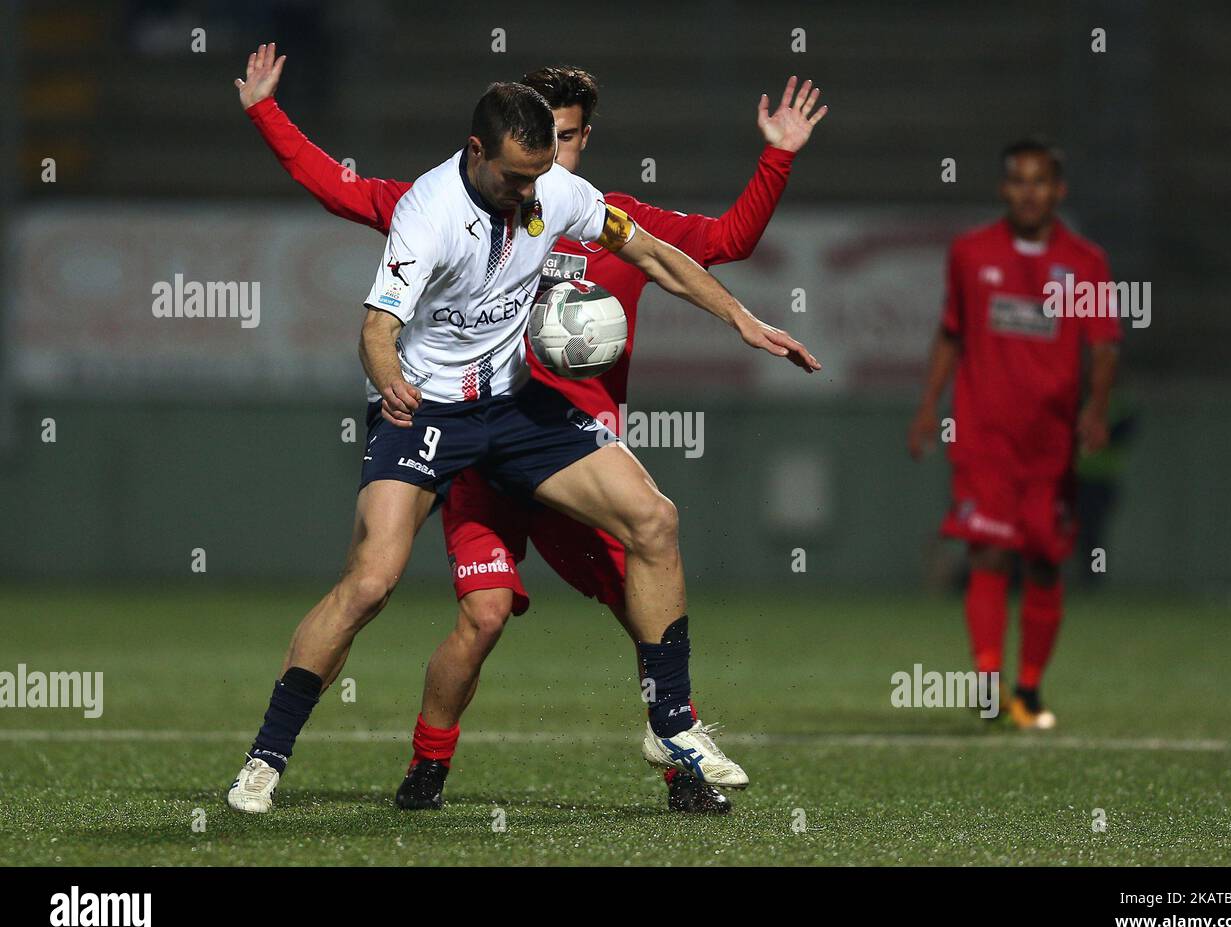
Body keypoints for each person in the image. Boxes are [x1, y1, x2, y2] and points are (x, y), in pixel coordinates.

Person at [226, 64, 821, 815]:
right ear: (476, 151)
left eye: (543, 171)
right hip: (427, 412)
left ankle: (672, 727)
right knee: (371, 583)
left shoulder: (553, 189)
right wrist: (393, 381)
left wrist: (743, 321)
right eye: (516, 176)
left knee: (654, 518)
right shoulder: (428, 211)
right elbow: (378, 326)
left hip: (513, 408)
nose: (529, 192)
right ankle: (266, 758)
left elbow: (653, 252)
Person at [907, 138, 1120, 729]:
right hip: (984, 436)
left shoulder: (1086, 263)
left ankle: (1028, 690)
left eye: (1041, 182)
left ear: (1059, 191)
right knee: (990, 549)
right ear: (1004, 188)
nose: (1030, 192)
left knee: (1046, 564)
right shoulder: (972, 253)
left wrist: (1096, 411)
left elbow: (1104, 346)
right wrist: (928, 406)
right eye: (1018, 181)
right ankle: (987, 680)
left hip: (1049, 445)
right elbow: (952, 332)